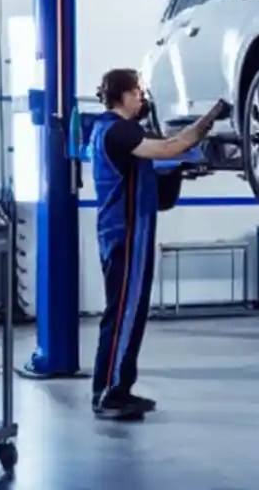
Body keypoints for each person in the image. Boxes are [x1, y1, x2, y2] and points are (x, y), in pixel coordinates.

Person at [89, 68, 226, 420]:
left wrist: (176, 169)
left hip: (122, 230)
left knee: (121, 313)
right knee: (124, 314)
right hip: (128, 233)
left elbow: (155, 164)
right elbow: (171, 146)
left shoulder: (107, 130)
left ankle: (112, 389)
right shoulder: (119, 131)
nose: (142, 98)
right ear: (122, 95)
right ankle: (111, 395)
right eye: (137, 92)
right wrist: (209, 119)